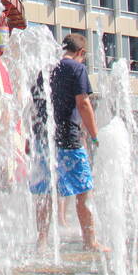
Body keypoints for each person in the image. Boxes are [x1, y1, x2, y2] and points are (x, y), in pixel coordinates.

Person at [31, 33, 104, 251]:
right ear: (81, 53)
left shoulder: (46, 70)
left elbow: (34, 104)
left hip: (43, 139)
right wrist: (94, 134)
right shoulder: (77, 69)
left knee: (44, 192)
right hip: (68, 139)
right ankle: (90, 241)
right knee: (84, 191)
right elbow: (83, 103)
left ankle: (42, 241)